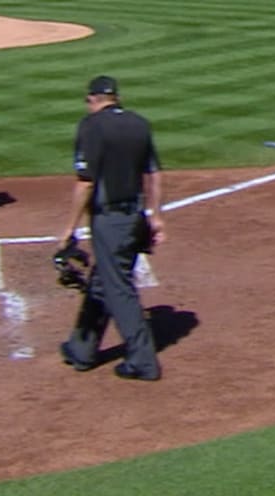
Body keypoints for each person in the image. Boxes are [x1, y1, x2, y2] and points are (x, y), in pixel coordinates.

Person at [58, 75, 165, 381]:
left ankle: (143, 360)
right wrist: (156, 215)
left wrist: (69, 228)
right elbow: (154, 174)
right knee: (104, 280)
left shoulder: (91, 126)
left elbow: (86, 182)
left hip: (110, 221)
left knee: (118, 287)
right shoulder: (139, 123)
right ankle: (82, 348)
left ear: (93, 99)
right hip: (135, 218)